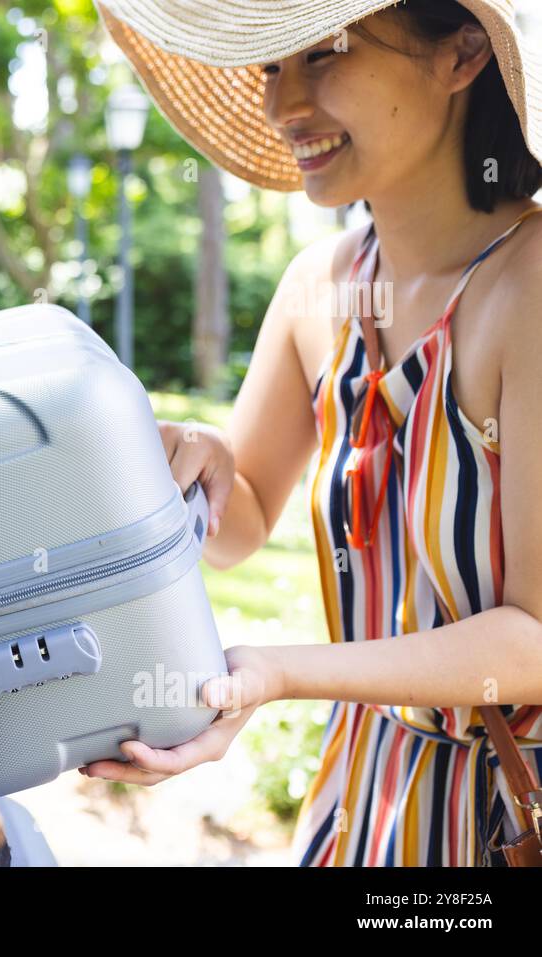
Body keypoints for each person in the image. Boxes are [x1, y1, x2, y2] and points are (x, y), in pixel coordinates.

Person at [85, 0, 542, 866]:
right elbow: (243, 518)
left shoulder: (531, 285)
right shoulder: (319, 287)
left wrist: (286, 671)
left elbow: (533, 637)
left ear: (462, 55)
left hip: (508, 812)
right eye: (268, 67)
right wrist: (201, 460)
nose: (283, 104)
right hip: (361, 798)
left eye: (324, 53)